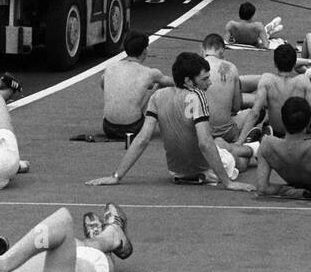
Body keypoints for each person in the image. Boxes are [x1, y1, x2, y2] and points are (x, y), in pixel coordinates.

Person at [87, 52, 255, 190]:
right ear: (189, 81)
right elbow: (204, 143)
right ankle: (256, 149)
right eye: (204, 79)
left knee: (219, 142)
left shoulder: (157, 96)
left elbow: (142, 139)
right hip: (205, 172)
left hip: (177, 173)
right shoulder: (197, 96)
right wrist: (228, 183)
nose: (209, 83)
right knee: (238, 159)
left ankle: (253, 149)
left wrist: (116, 176)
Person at [0, 206, 134, 272]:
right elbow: (62, 221)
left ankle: (105, 237)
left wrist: (5, 262)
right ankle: (110, 236)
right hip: (91, 267)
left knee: (71, 243)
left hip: (45, 255)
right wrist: (6, 262)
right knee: (94, 255)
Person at [97, 34, 173, 140]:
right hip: (134, 128)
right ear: (145, 51)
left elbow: (103, 84)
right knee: (160, 85)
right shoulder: (149, 73)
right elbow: (174, 83)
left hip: (108, 128)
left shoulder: (110, 68)